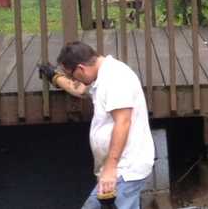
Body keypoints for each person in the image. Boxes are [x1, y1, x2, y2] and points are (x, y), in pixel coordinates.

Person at [39, 42, 155, 209]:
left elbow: (123, 122)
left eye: (72, 75)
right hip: (119, 168)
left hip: (124, 169)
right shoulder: (100, 74)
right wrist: (54, 77)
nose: (73, 80)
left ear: (81, 68)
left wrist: (110, 169)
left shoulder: (116, 78)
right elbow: (78, 89)